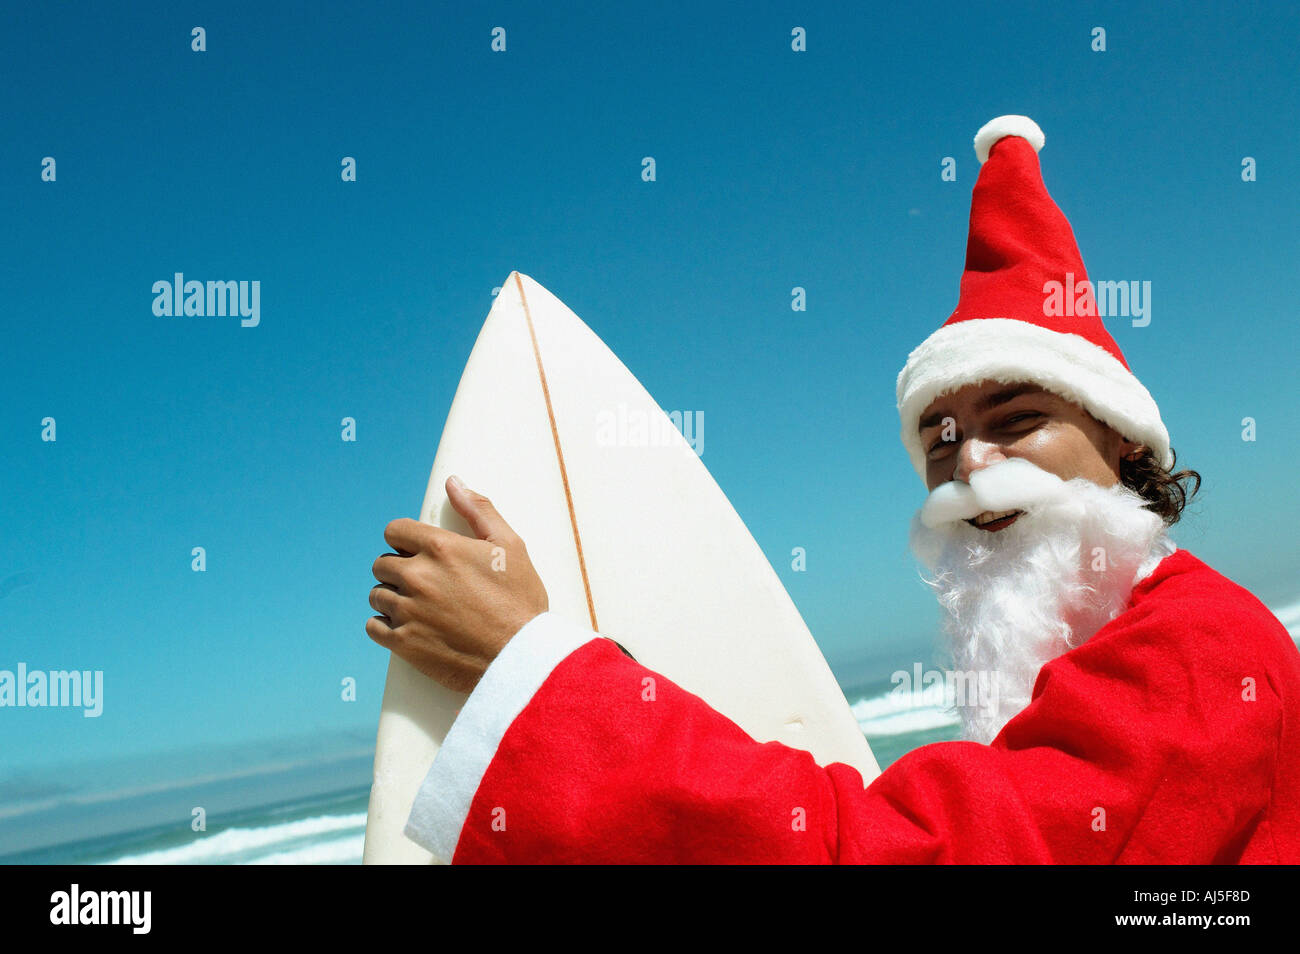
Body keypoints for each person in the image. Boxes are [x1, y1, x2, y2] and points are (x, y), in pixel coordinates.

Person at [367, 116, 1300, 863]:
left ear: (1123, 442)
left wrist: (532, 678)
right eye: (942, 440)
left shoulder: (1199, 648)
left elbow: (904, 856)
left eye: (1017, 422)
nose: (970, 464)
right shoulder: (1108, 649)